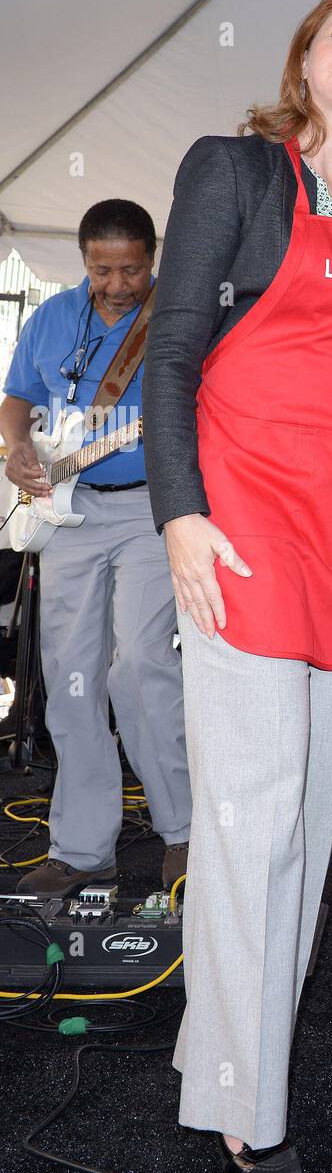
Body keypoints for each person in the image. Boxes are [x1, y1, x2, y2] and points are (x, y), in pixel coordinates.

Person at [142, 0, 332, 1173]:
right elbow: (170, 352)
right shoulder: (238, 171)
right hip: (246, 530)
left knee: (304, 827)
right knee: (251, 820)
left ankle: (218, 1052)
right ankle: (241, 1103)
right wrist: (181, 517)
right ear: (304, 59)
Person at [1, 201, 191, 897]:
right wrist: (16, 447)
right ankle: (82, 848)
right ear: (84, 261)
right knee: (71, 677)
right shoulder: (52, 317)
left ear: (153, 259)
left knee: (140, 667)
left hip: (149, 507)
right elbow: (17, 396)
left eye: (132, 268)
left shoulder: (179, 314)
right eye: (102, 269)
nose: (117, 283)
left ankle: (185, 832)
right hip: (69, 513)